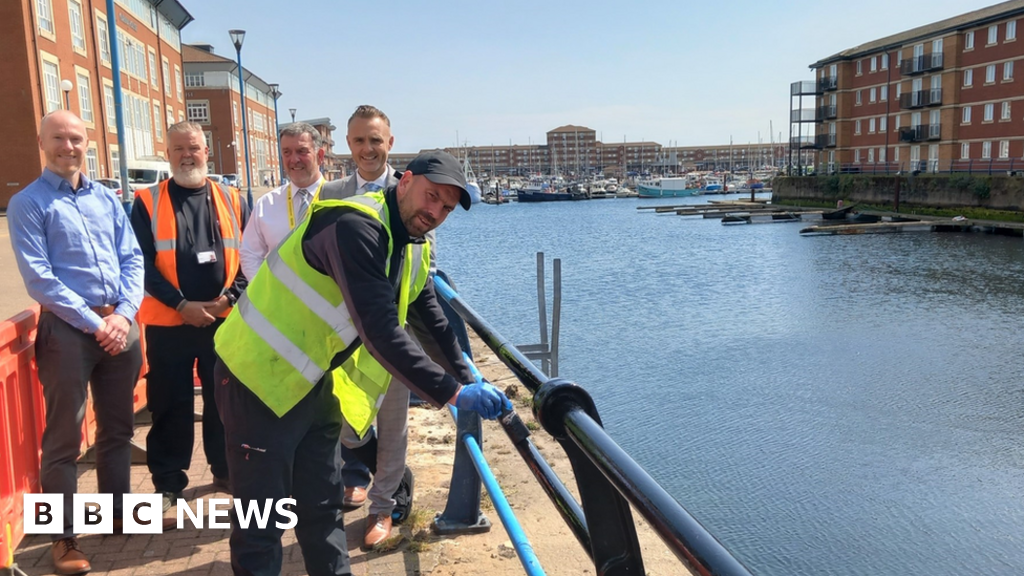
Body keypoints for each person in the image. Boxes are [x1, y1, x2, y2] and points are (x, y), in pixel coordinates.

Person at [212, 150, 510, 576]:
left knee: (322, 506)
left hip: (308, 380)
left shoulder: (410, 242)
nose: (435, 212)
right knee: (262, 521)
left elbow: (432, 320)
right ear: (404, 182)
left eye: (445, 207)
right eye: (431, 196)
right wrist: (456, 393)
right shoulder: (356, 226)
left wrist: (468, 374)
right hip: (254, 375)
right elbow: (381, 331)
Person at [7, 110, 144, 574]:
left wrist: (124, 315)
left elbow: (132, 258)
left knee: (119, 428)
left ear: (89, 143)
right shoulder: (29, 203)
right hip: (68, 331)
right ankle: (62, 539)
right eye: (59, 138)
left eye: (77, 138)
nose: (69, 146)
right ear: (43, 142)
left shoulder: (106, 198)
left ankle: (119, 514)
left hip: (120, 328)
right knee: (64, 438)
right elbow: (40, 280)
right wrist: (94, 323)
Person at [131, 121, 249, 511]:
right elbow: (141, 265)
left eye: (194, 148)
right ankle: (168, 483)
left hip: (224, 322)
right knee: (169, 404)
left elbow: (250, 260)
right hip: (169, 325)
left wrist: (225, 301)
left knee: (225, 403)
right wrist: (182, 305)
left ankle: (225, 469)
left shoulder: (233, 198)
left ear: (207, 152)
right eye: (179, 149)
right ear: (167, 154)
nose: (187, 155)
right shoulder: (146, 201)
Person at [319, 105, 407, 546]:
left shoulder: (409, 192)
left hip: (392, 331)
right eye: (359, 140)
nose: (367, 149)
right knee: (346, 423)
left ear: (389, 143)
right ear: (347, 145)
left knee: (393, 425)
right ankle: (369, 478)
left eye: (375, 140)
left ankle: (383, 510)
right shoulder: (331, 192)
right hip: (342, 333)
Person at [239, 122, 327, 280]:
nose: (294, 159)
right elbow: (249, 253)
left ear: (320, 156)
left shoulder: (340, 198)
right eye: (287, 152)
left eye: (302, 151)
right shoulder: (267, 204)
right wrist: (267, 290)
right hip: (283, 302)